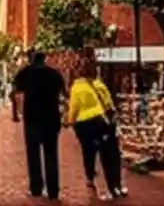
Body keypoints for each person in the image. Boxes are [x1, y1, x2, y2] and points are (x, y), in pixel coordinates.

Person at [67, 60, 127, 200]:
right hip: (101, 121)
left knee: (88, 151)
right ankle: (115, 186)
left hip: (84, 123)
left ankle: (90, 177)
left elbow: (74, 107)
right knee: (109, 154)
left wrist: (70, 121)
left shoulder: (76, 87)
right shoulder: (99, 85)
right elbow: (109, 103)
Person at [12, 50, 66, 200]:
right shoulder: (54, 74)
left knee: (33, 154)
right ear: (45, 59)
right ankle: (53, 190)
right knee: (51, 154)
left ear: (32, 59)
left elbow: (15, 90)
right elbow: (64, 93)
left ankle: (36, 188)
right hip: (51, 118)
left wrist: (16, 113)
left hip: (33, 119)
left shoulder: (26, 72)